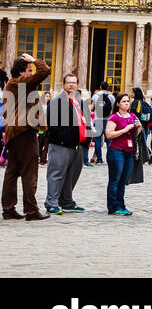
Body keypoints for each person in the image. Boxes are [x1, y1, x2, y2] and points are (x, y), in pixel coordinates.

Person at [2, 54, 51, 221]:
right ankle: (31, 210)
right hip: (24, 132)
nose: (32, 73)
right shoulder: (21, 83)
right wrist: (34, 60)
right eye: (29, 70)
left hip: (14, 133)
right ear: (22, 72)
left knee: (12, 172)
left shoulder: (13, 84)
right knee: (29, 172)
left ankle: (8, 209)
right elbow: (45, 71)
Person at [44, 72, 88, 216]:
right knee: (56, 174)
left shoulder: (79, 102)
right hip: (60, 145)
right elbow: (53, 125)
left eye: (74, 82)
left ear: (77, 85)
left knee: (72, 175)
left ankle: (67, 202)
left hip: (77, 145)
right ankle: (51, 203)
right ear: (64, 84)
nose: (71, 85)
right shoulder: (57, 101)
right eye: (68, 82)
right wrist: (64, 139)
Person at [103, 93, 140, 215]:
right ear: (118, 104)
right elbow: (109, 134)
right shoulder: (114, 118)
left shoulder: (133, 116)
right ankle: (113, 206)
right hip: (116, 151)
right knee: (115, 179)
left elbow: (137, 133)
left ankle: (121, 204)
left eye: (128, 101)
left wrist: (139, 127)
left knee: (123, 180)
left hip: (129, 151)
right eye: (123, 101)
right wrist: (124, 130)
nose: (126, 103)